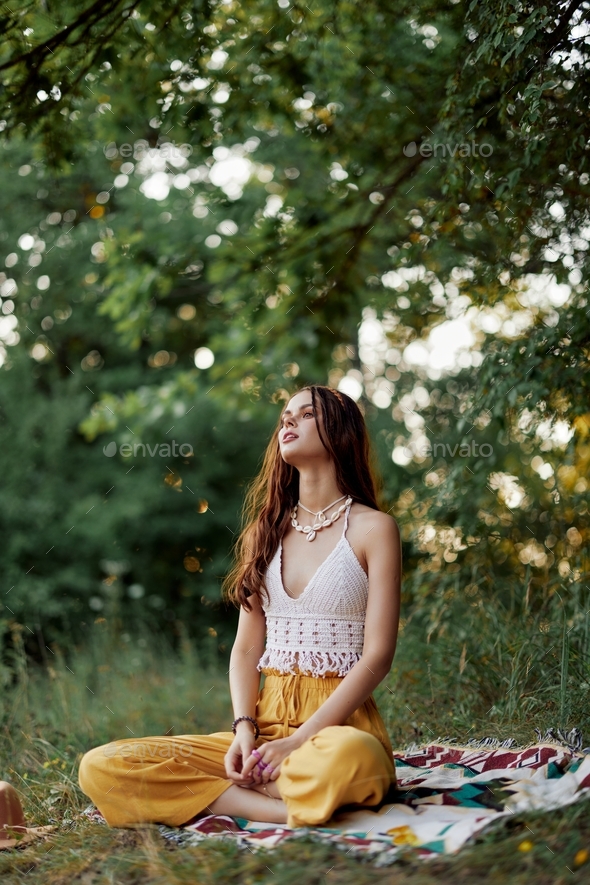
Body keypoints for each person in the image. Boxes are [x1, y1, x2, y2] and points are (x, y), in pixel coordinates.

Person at [79, 385, 401, 829]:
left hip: (338, 731)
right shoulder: (263, 534)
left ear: (342, 432)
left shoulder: (374, 529)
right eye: (285, 416)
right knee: (102, 765)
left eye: (307, 414)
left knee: (351, 759)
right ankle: (277, 806)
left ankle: (232, 794)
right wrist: (244, 732)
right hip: (264, 728)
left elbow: (378, 656)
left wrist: (299, 742)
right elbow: (247, 649)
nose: (289, 421)